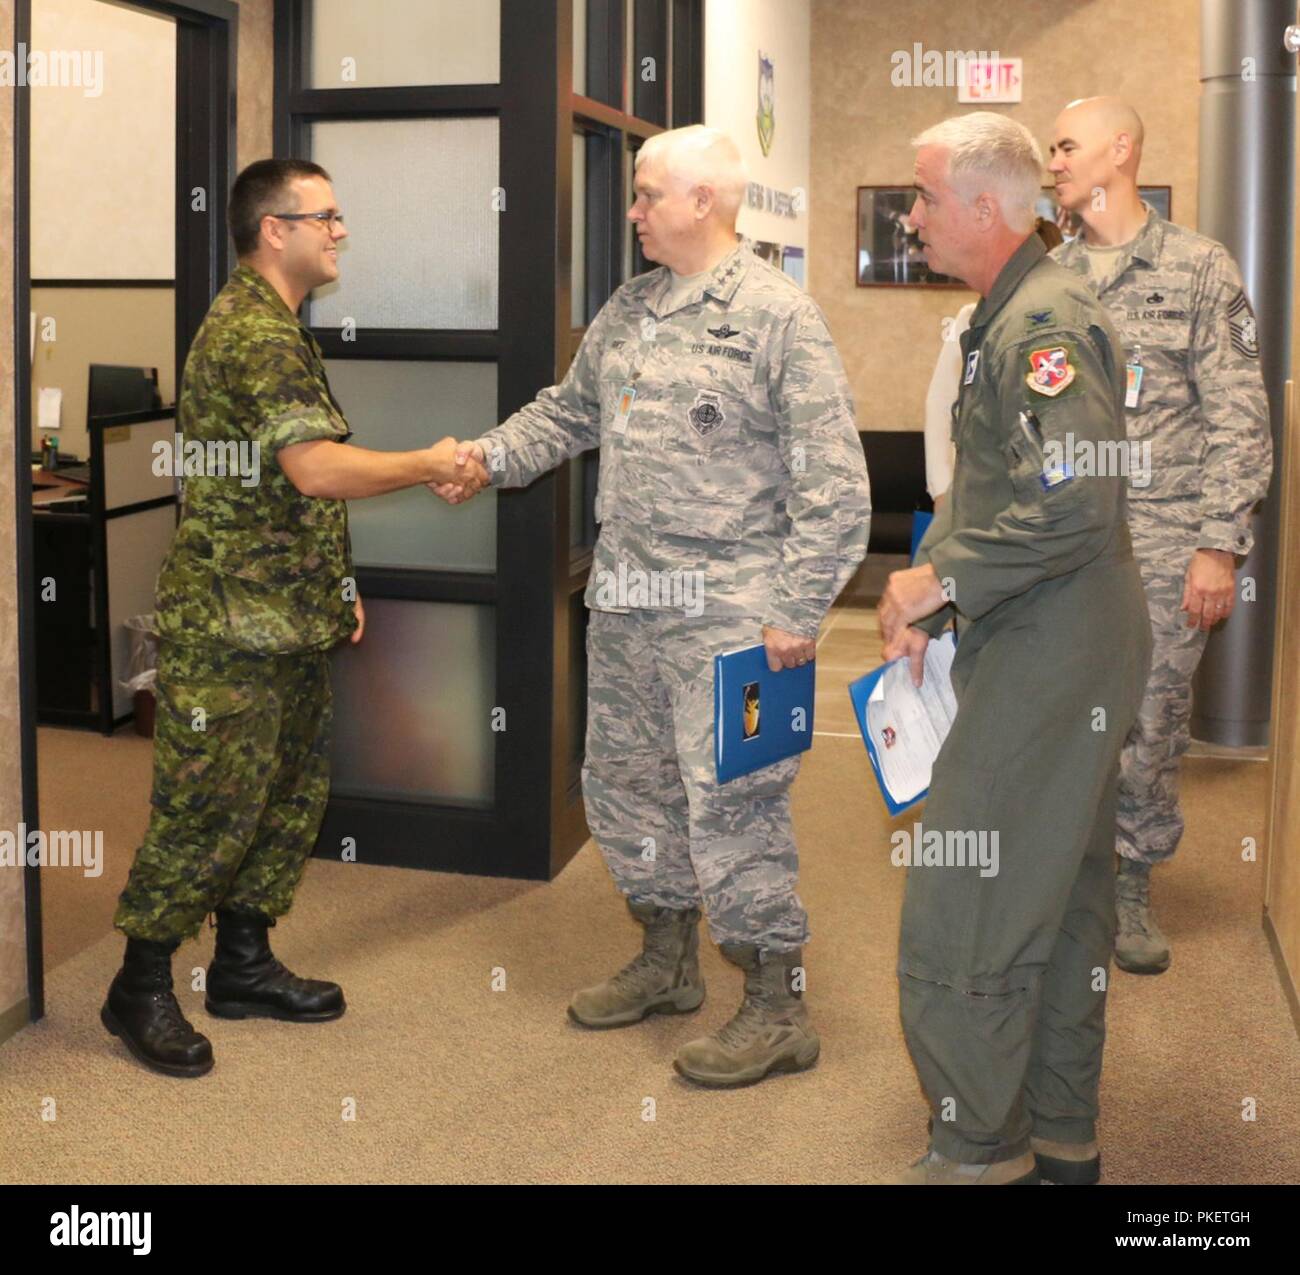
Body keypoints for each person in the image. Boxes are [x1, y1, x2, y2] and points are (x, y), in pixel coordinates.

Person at [434, 125, 871, 1088]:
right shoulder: (632, 307)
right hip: (628, 602)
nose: (631, 213)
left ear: (702, 202)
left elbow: (836, 486)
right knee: (629, 786)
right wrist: (485, 458)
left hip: (735, 618)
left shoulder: (776, 317)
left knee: (737, 804)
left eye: (645, 196)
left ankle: (776, 1004)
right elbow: (568, 412)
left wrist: (796, 611)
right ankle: (668, 960)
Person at [103, 159, 488, 1078]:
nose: (341, 231)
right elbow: (317, 468)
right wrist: (428, 459)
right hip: (230, 624)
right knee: (206, 809)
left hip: (287, 615)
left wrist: (336, 583)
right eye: (327, 217)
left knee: (282, 800)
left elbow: (289, 491)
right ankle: (139, 984)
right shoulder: (253, 334)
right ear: (275, 229)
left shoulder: (278, 326)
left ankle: (241, 963)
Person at [879, 111, 1151, 1184]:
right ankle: (1058, 1140)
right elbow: (1007, 488)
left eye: (924, 197)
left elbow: (1078, 498)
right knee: (1060, 890)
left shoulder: (1042, 322)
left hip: (1055, 643)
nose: (910, 219)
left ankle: (976, 1145)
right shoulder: (1012, 313)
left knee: (970, 891)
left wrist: (939, 577)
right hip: (1051, 633)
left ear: (987, 208)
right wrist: (940, 594)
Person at [1047, 97, 1272, 974]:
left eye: (1067, 146)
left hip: (1167, 541)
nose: (1054, 161)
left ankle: (1133, 880)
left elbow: (1241, 419)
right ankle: (1073, 875)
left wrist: (1218, 544)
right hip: (1063, 551)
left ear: (1121, 151)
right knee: (1064, 715)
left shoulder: (1199, 268)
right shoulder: (1050, 277)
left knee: (1149, 716)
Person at [924, 220, 1063, 508]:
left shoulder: (1064, 326)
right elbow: (940, 404)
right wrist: (941, 491)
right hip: (977, 491)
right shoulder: (970, 319)